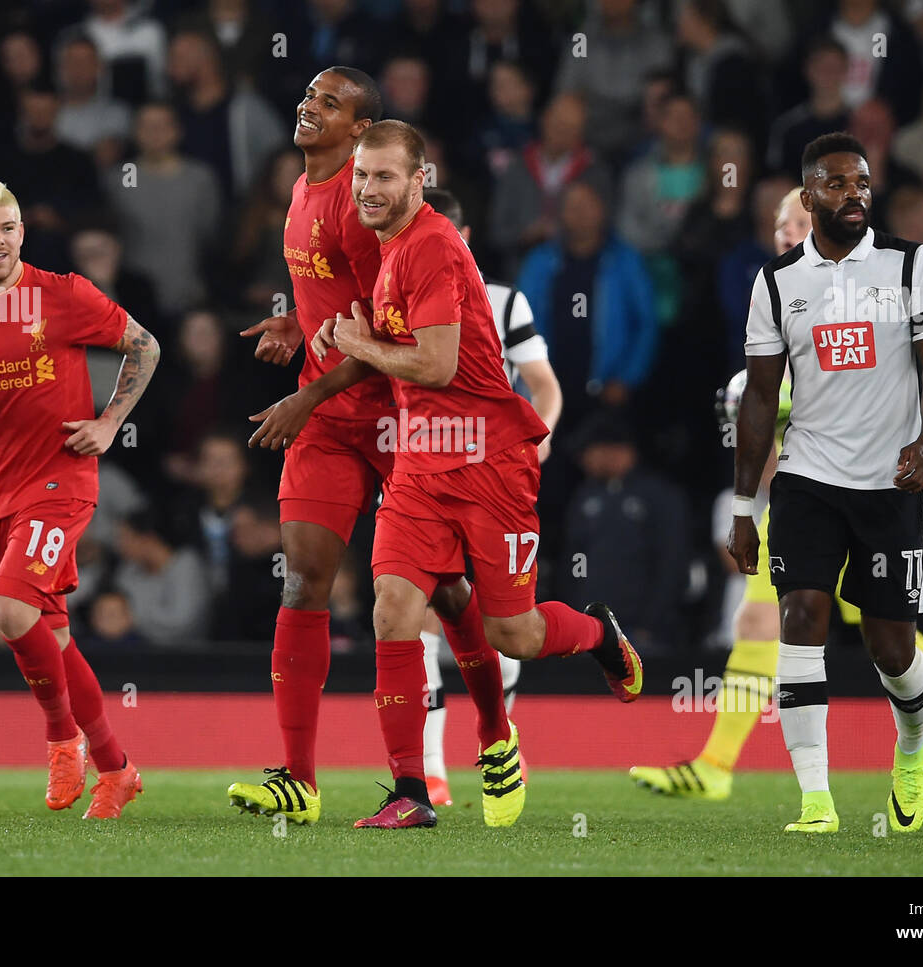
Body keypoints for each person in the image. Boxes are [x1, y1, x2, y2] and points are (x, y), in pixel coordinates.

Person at [313, 120, 643, 829]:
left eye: (383, 177)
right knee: (392, 608)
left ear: (417, 180)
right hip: (421, 464)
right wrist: (343, 333)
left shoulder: (432, 244)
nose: (367, 189)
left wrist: (360, 341)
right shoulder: (388, 246)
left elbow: (432, 363)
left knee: (514, 634)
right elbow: (389, 334)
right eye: (361, 176)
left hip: (491, 462)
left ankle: (596, 635)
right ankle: (410, 788)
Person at [224, 68, 527, 830]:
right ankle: (299, 775)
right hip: (332, 423)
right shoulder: (300, 192)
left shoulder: (367, 214)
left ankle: (494, 729)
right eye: (308, 96)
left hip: (396, 415)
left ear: (360, 132)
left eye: (328, 103)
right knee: (304, 579)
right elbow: (342, 303)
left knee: (450, 593)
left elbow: (391, 329)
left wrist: (308, 392)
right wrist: (301, 325)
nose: (307, 106)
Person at [634, 187, 923, 804]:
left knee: (892, 635)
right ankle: (718, 766)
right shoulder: (781, 295)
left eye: (796, 221)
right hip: (805, 501)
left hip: (875, 492)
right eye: (780, 225)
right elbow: (762, 409)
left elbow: (918, 370)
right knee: (762, 618)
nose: (787, 233)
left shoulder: (873, 288)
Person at [729, 132, 923, 834]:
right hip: (808, 479)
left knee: (893, 651)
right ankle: (816, 801)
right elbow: (760, 398)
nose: (853, 193)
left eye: (860, 182)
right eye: (835, 184)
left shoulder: (909, 263)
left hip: (890, 482)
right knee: (800, 616)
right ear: (808, 196)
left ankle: (913, 745)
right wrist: (744, 505)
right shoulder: (776, 282)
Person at [0, 178, 160, 819]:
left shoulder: (63, 295)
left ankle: (61, 740)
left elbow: (145, 345)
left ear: (22, 231)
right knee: (47, 633)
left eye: (8, 227)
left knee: (6, 607)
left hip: (62, 482)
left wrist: (109, 422)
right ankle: (116, 768)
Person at [417, 186, 564, 806]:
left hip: (494, 478)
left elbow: (544, 386)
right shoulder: (389, 295)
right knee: (416, 610)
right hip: (422, 469)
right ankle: (428, 770)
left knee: (506, 619)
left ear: (464, 236)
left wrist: (540, 441)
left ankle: (499, 738)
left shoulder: (504, 303)